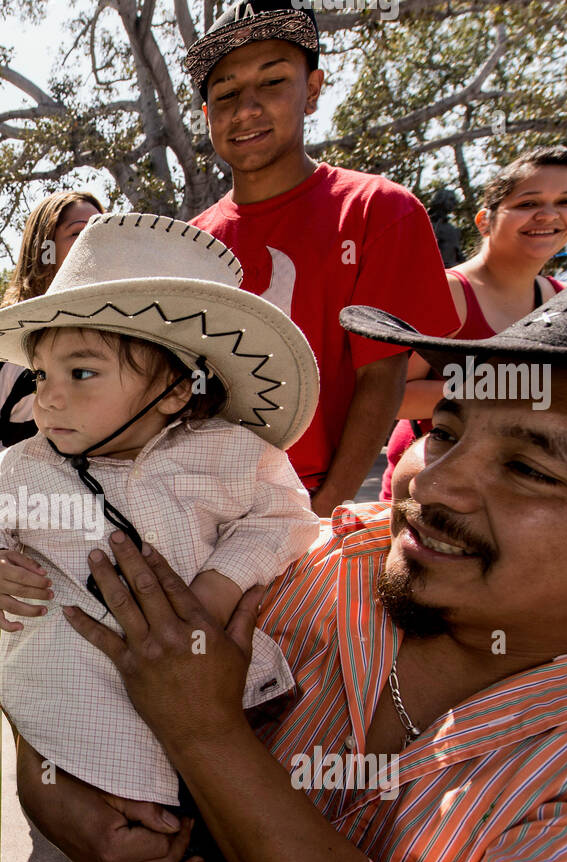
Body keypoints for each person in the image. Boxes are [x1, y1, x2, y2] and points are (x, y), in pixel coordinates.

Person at [0, 213, 567, 862]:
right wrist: (52, 787)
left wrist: (204, 731)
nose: (435, 486)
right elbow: (90, 646)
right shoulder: (329, 565)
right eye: (444, 431)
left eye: (530, 467)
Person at [0, 213, 321, 862]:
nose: (50, 397)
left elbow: (288, 520)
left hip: (214, 713)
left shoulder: (228, 455)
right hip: (87, 716)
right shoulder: (24, 468)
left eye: (82, 373)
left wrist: (218, 586)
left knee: (234, 851)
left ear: (177, 387)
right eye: (42, 376)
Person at [183, 1, 458, 514]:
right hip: (196, 502)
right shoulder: (189, 243)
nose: (246, 109)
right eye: (226, 94)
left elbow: (382, 376)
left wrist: (324, 507)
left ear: (311, 91)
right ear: (206, 116)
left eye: (272, 82)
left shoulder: (380, 211)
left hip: (310, 505)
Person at [380, 147, 567, 498]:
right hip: (428, 489)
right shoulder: (446, 292)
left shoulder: (565, 298)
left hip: (512, 496)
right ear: (485, 220)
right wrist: (512, 390)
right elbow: (392, 397)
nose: (548, 215)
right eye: (527, 204)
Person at [0, 191, 104, 459]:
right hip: (25, 491)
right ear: (45, 246)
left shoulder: (121, 329)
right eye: (79, 233)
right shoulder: (2, 336)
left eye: (101, 230)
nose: (96, 241)